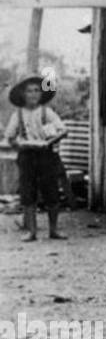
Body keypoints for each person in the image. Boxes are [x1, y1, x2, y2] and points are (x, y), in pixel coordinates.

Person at [5, 74, 69, 242]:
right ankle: (31, 231)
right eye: (29, 91)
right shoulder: (17, 114)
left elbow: (63, 130)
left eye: (36, 91)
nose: (33, 94)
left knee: (52, 192)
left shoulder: (46, 112)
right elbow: (10, 137)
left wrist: (49, 142)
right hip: (27, 156)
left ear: (41, 94)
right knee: (28, 193)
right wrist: (21, 144)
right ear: (22, 94)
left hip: (46, 156)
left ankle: (54, 230)